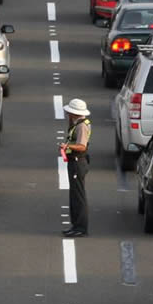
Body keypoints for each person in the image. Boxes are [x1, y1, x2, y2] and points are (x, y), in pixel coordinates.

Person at [60, 98, 92, 237]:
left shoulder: (81, 127)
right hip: (75, 161)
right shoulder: (77, 123)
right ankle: (75, 225)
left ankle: (80, 227)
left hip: (78, 161)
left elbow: (82, 146)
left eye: (70, 113)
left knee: (78, 196)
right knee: (74, 194)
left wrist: (67, 146)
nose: (68, 115)